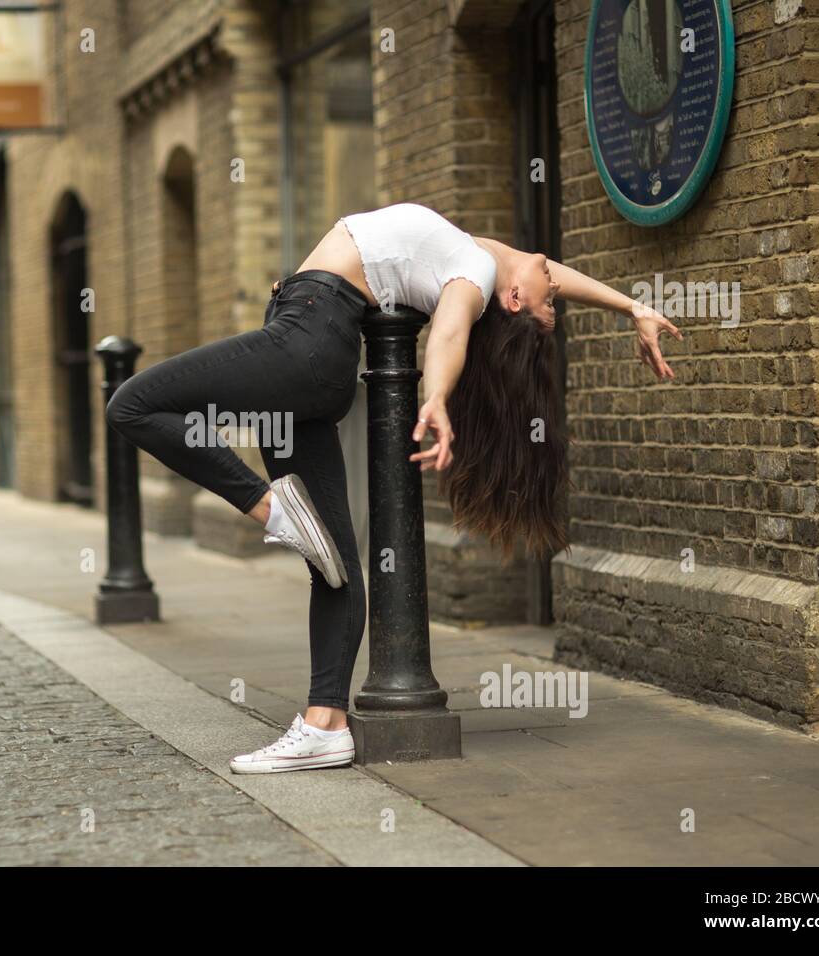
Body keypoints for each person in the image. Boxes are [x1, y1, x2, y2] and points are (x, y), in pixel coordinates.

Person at [106, 201, 681, 774]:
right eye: (553, 294)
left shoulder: (473, 276)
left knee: (133, 403)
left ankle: (267, 506)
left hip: (306, 337)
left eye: (547, 297)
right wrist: (633, 306)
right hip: (317, 361)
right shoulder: (480, 257)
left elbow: (450, 334)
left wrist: (434, 397)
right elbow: (548, 270)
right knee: (331, 559)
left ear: (512, 300)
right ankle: (324, 724)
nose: (553, 281)